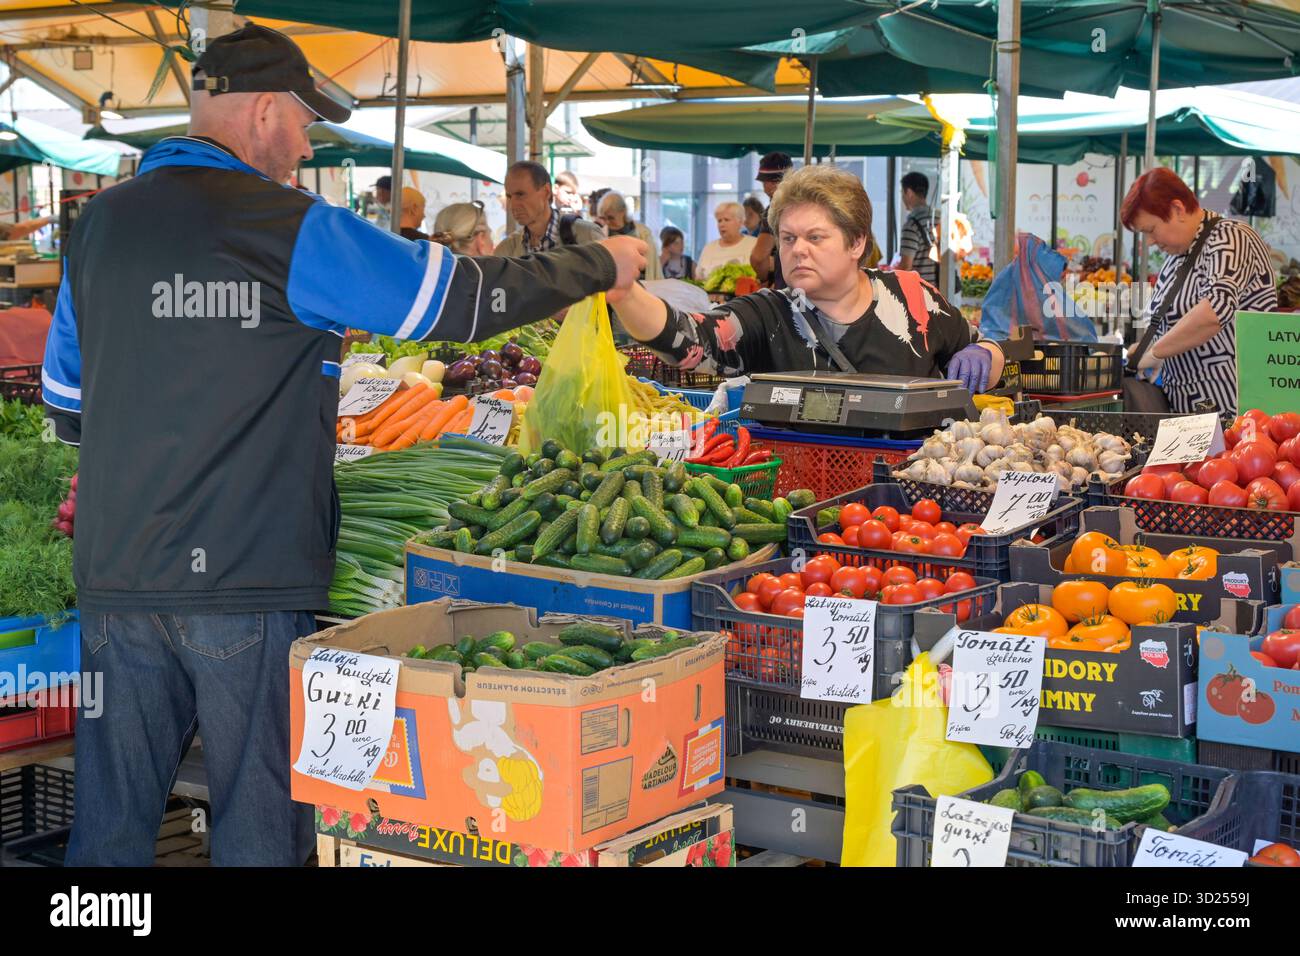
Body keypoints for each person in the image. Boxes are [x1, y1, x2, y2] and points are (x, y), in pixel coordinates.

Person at [40, 22, 647, 868]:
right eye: (302, 124)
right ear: (260, 113)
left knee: (108, 829)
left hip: (116, 577)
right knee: (258, 828)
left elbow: (68, 405)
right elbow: (457, 304)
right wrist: (597, 264)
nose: (304, 146)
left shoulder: (99, 225)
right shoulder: (287, 225)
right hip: (245, 578)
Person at [607, 164, 1004, 393]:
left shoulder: (913, 298)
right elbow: (690, 340)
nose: (798, 250)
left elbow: (985, 351)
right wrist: (625, 293)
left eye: (815, 237)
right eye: (788, 238)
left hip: (910, 508)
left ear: (856, 242)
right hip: (802, 498)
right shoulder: (767, 314)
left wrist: (987, 354)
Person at [1125, 167, 1276, 414]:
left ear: (1177, 209)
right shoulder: (1176, 258)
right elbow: (1171, 323)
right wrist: (1145, 347)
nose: (1149, 242)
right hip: (1187, 409)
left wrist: (1154, 352)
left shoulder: (1230, 237)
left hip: (1233, 408)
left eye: (1150, 230)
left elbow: (1214, 311)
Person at [495, 160, 605, 255]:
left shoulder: (587, 236)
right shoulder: (506, 250)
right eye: (509, 196)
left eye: (520, 194)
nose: (513, 205)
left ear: (546, 192)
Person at [750, 151, 792, 288]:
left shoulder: (775, 209)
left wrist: (764, 281)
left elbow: (758, 258)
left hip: (786, 289)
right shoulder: (808, 204)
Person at [597, 191, 662, 280]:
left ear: (623, 211)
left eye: (611, 218)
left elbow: (652, 269)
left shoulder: (643, 234)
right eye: (604, 218)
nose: (607, 222)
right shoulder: (600, 235)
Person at [696, 202, 757, 282]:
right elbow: (698, 278)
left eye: (726, 220)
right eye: (719, 221)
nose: (722, 224)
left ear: (740, 222)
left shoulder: (754, 244)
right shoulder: (709, 248)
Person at [898, 171, 939, 285]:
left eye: (902, 192)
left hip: (922, 292)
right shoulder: (940, 218)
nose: (902, 197)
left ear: (909, 193)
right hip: (941, 291)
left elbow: (906, 266)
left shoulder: (911, 225)